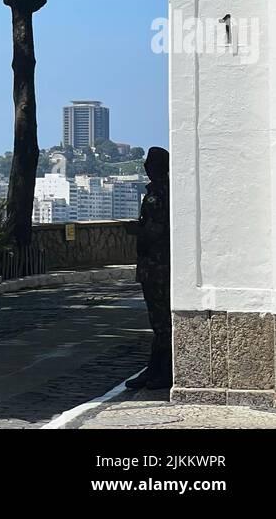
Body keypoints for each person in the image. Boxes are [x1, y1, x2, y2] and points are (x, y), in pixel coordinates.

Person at [126, 146, 172, 390]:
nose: (146, 167)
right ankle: (154, 369)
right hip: (157, 266)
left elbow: (158, 230)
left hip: (158, 268)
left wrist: (137, 231)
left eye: (149, 163)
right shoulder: (165, 190)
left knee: (162, 322)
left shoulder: (159, 193)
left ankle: (162, 372)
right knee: (160, 323)